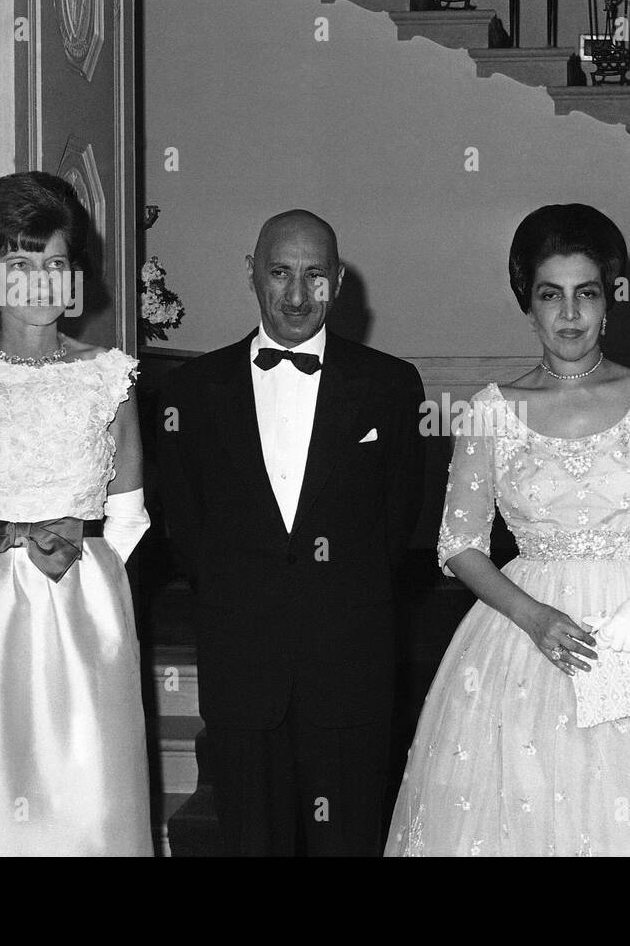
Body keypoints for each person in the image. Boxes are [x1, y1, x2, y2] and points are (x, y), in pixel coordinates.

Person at [387, 204, 630, 856]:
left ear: (610, 301)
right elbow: (457, 543)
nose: (569, 315)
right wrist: (535, 618)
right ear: (528, 303)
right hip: (521, 636)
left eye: (587, 294)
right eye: (551, 295)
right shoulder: (491, 411)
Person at [157, 210, 426, 856]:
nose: (298, 296)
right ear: (251, 273)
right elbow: (188, 533)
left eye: (314, 276)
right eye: (280, 273)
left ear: (338, 281)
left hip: (349, 668)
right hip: (242, 672)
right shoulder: (193, 391)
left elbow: (399, 524)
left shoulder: (389, 386)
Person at [0, 171, 153, 855]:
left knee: (83, 803)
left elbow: (128, 517)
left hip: (81, 607)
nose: (39, 282)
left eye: (55, 263)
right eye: (19, 263)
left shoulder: (111, 374)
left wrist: (87, 589)